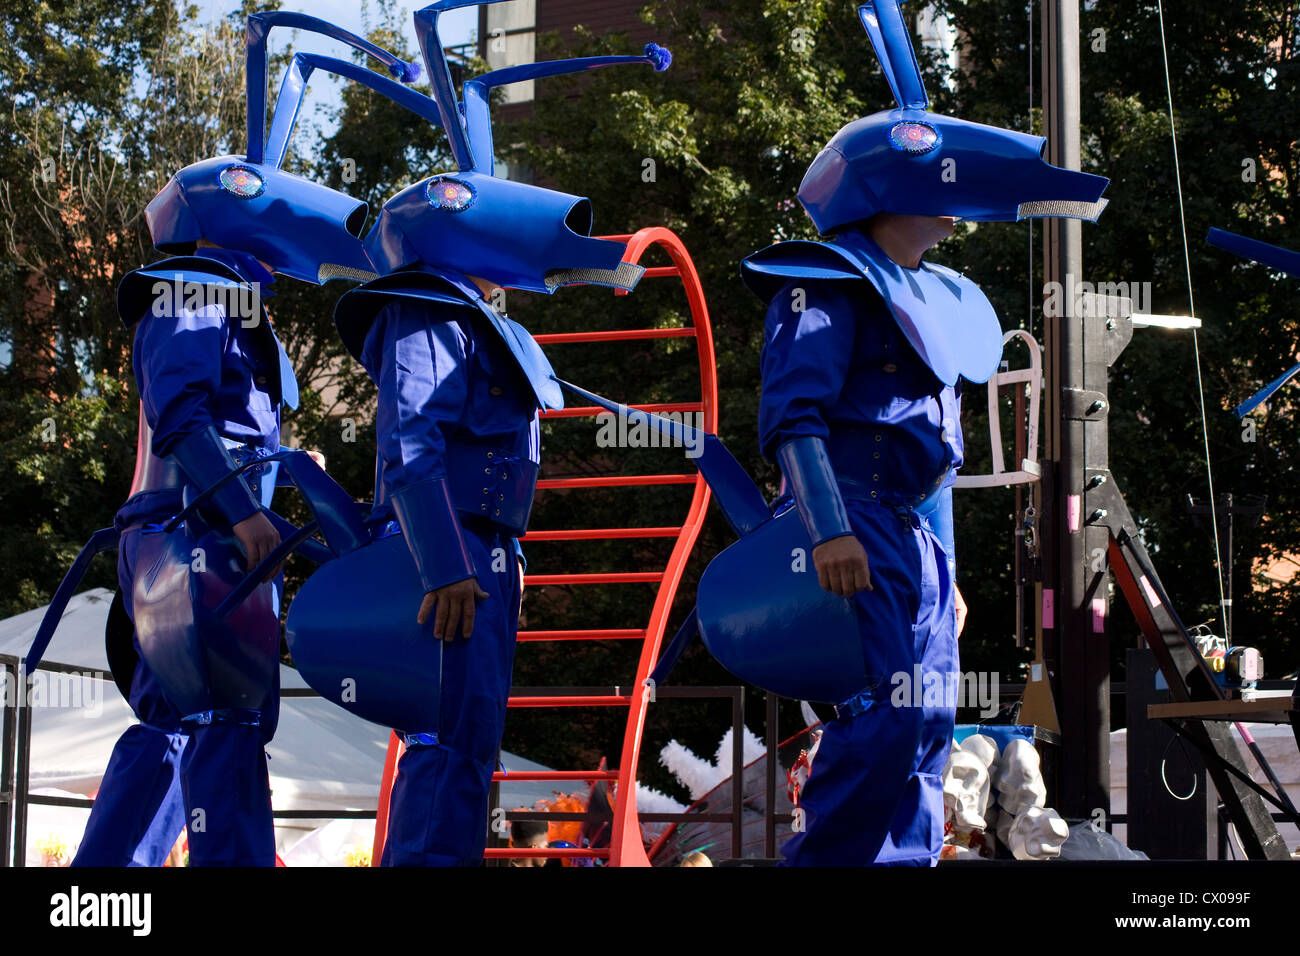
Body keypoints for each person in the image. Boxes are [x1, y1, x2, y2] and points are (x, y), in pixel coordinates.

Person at [737, 0, 1109, 866]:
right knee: (878, 718)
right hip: (856, 518)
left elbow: (937, 457)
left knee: (929, 729)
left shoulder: (931, 295)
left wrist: (948, 574)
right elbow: (794, 419)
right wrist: (826, 527)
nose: (956, 216)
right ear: (891, 191)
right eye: (939, 196)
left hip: (912, 534)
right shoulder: (822, 282)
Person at [316, 10, 671, 867]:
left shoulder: (474, 317)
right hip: (453, 561)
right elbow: (411, 442)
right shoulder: (432, 306)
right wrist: (444, 563)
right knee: (446, 750)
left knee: (465, 749)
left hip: (482, 558)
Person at [64, 12, 420, 865]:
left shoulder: (221, 298)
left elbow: (209, 420)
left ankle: (98, 889)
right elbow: (184, 417)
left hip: (202, 535)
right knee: (215, 717)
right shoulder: (193, 287)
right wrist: (242, 511)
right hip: (198, 535)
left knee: (186, 721)